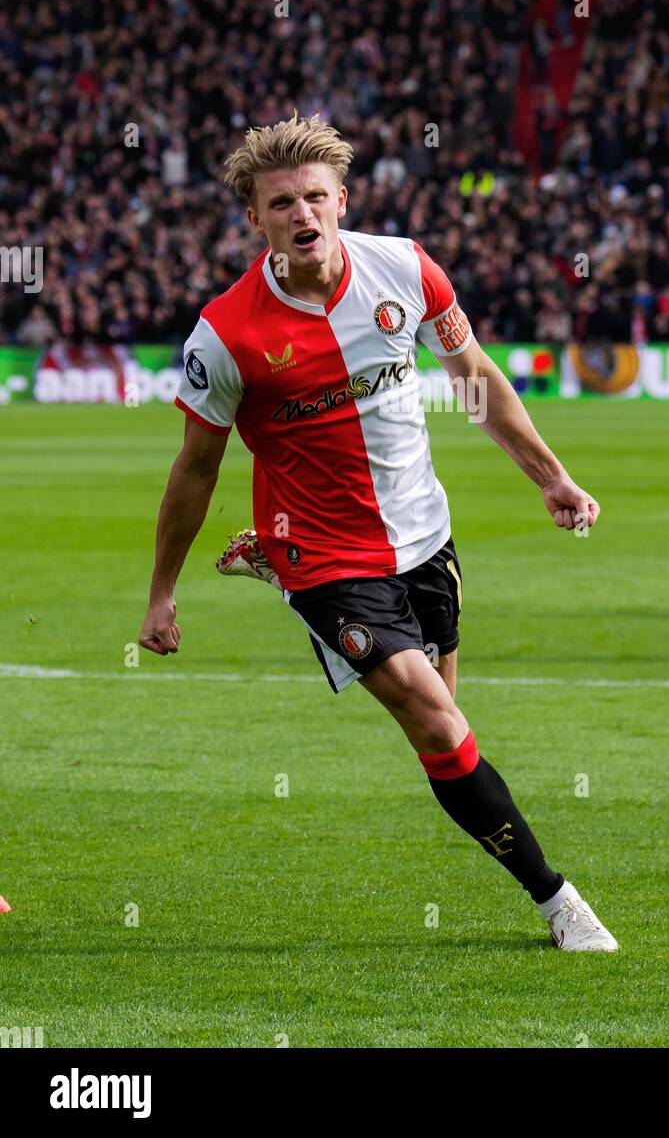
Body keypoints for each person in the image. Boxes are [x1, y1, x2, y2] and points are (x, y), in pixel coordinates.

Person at [138, 112, 617, 953]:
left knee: (451, 728)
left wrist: (554, 478)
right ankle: (558, 903)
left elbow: (473, 378)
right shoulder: (226, 335)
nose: (302, 214)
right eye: (281, 202)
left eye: (315, 196)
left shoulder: (403, 267)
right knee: (436, 723)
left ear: (341, 199)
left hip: (424, 531)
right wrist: (162, 592)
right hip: (324, 553)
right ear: (256, 218)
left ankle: (275, 568)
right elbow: (196, 469)